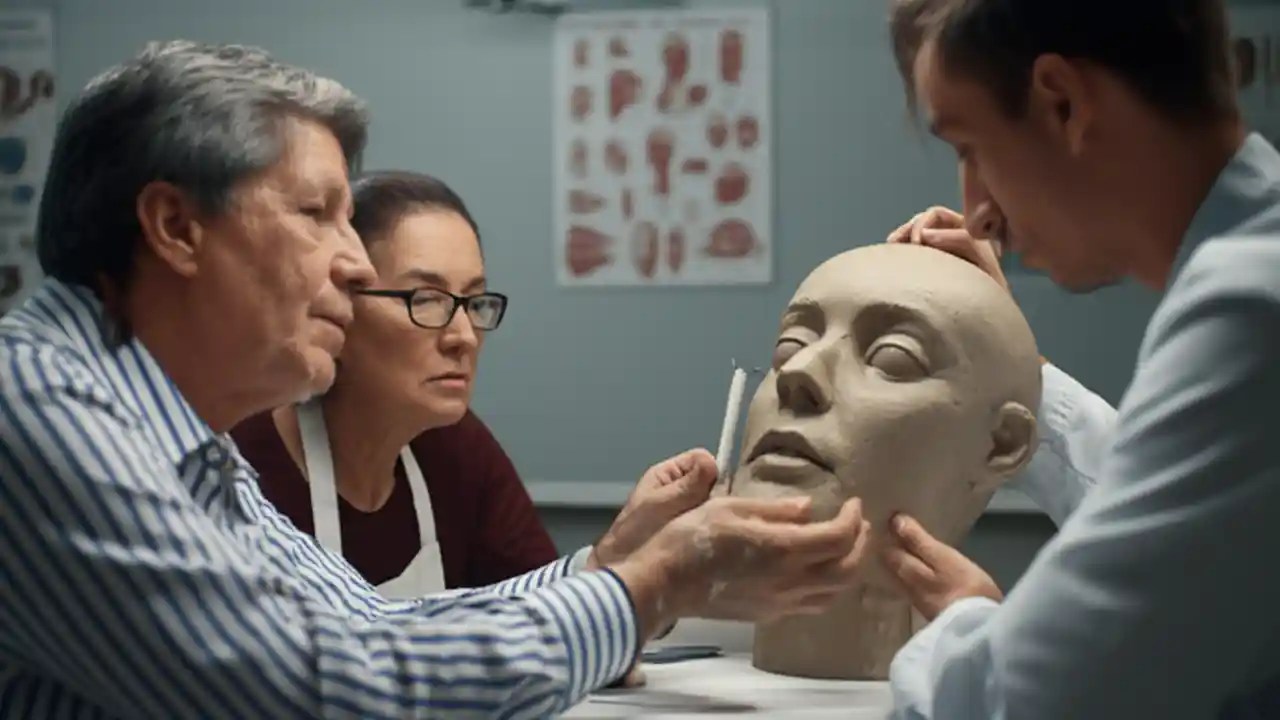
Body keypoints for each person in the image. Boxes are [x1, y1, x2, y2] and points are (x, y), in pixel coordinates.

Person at [0, 40, 871, 718]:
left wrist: (620, 568)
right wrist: (654, 585)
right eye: (316, 215)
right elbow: (316, 691)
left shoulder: (187, 441)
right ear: (175, 227)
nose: (352, 265)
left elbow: (370, 624)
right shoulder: (37, 406)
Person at [876, 1, 1280, 718]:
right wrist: (1008, 364)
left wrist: (967, 626)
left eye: (971, 149)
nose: (977, 214)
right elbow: (1173, 513)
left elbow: (1029, 702)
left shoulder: (1252, 309)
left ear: (1062, 103)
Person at [231, 170, 557, 596]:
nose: (463, 336)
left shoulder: (454, 447)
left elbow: (543, 605)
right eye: (426, 299)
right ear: (339, 310)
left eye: (474, 301)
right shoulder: (241, 468)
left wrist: (616, 561)